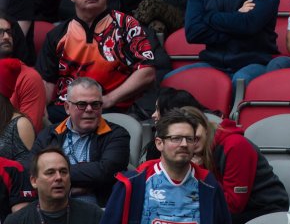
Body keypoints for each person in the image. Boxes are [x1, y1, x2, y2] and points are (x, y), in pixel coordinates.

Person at [38, 0, 158, 113]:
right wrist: (39, 112)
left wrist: (109, 99)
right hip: (66, 111)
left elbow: (147, 72)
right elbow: (47, 82)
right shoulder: (57, 35)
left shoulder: (126, 25)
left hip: (115, 110)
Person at [100, 112, 231, 224]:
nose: (184, 144)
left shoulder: (208, 184)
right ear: (159, 144)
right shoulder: (133, 183)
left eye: (189, 139)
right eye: (176, 138)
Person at [33, 77, 130, 206]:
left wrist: (50, 173)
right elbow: (32, 168)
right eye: (82, 104)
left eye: (95, 104)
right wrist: (71, 188)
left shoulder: (117, 135)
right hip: (49, 201)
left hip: (95, 204)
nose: (89, 109)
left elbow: (105, 171)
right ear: (67, 107)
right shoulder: (49, 134)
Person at [7, 148, 101, 224]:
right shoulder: (17, 221)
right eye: (50, 172)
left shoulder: (94, 215)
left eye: (63, 172)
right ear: (34, 181)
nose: (59, 177)